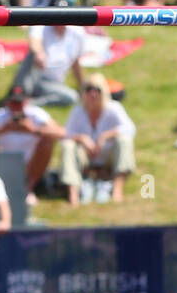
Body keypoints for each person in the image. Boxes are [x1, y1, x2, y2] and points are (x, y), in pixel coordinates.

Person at [58, 73, 137, 205]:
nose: (93, 94)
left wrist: (105, 136)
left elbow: (130, 129)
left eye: (97, 90)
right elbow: (65, 134)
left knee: (125, 141)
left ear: (104, 92)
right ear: (83, 93)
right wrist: (82, 138)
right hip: (85, 157)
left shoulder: (113, 108)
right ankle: (73, 192)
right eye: (88, 89)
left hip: (107, 156)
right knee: (68, 145)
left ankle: (117, 189)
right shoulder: (77, 111)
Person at [0, 85, 64, 206]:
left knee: (47, 141)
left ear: (27, 102)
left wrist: (33, 130)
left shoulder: (36, 115)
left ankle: (28, 189)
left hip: (32, 166)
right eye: (14, 102)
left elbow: (61, 132)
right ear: (7, 102)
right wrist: (4, 129)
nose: (17, 107)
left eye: (20, 103)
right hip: (5, 164)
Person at [13, 22, 87, 107]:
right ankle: (19, 95)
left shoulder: (77, 32)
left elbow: (75, 62)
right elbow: (34, 41)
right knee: (31, 56)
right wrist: (39, 53)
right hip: (34, 78)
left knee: (72, 97)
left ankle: (27, 103)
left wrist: (83, 86)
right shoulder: (41, 26)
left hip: (53, 84)